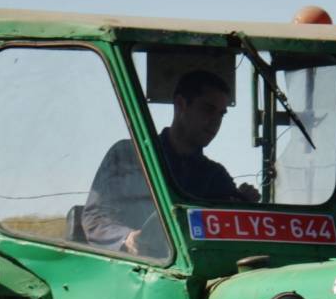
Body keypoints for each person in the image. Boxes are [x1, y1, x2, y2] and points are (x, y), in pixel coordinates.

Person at [81, 68, 257, 256]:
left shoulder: (215, 176)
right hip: (137, 265)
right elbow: (95, 219)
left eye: (221, 114)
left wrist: (244, 207)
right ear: (181, 105)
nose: (215, 122)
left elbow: (231, 233)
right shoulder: (129, 156)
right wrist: (128, 239)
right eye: (208, 109)